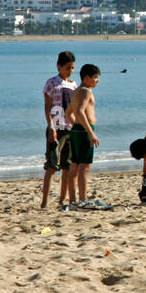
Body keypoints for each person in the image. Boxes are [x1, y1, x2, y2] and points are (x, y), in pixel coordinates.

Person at [41, 51, 77, 209]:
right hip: (56, 127)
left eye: (72, 68)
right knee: (51, 165)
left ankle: (62, 200)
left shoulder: (73, 85)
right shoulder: (52, 83)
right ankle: (44, 202)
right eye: (67, 67)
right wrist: (51, 127)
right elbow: (47, 106)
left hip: (70, 128)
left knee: (67, 167)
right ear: (59, 66)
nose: (70, 71)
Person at [64, 63, 101, 207]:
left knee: (74, 166)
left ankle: (73, 200)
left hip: (77, 130)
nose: (97, 80)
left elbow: (68, 113)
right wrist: (90, 132)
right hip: (85, 130)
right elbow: (79, 111)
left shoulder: (76, 91)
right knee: (84, 167)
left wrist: (76, 126)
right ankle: (83, 199)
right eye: (95, 77)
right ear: (86, 78)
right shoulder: (86, 91)